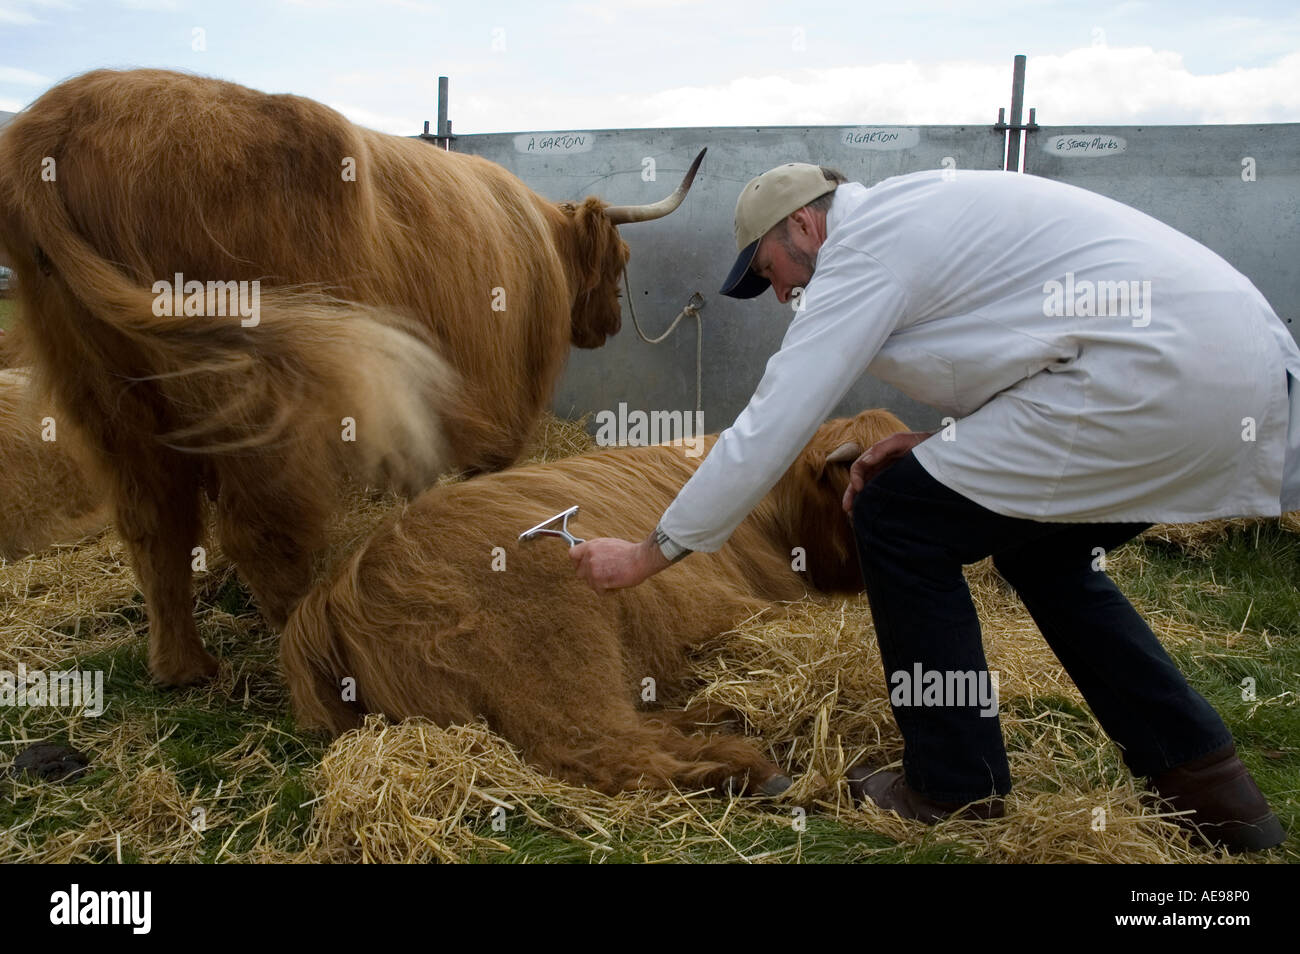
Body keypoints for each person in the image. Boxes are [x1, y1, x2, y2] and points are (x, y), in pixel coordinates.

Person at [570, 161, 1297, 853]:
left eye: (770, 271)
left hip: (1149, 375)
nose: (784, 294)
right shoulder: (918, 215)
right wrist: (938, 440)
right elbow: (1027, 348)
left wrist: (649, 553)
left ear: (805, 226)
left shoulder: (864, 249)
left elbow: (774, 421)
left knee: (894, 515)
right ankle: (1214, 791)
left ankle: (955, 788)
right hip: (1231, 364)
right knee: (1045, 553)